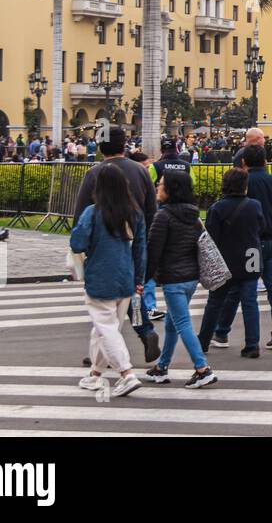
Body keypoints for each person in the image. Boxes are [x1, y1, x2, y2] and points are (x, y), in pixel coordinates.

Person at [72, 129, 160, 362]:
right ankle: (145, 331)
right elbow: (152, 211)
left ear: (101, 148)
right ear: (125, 146)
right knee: (131, 294)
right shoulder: (140, 172)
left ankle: (104, 351)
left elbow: (81, 214)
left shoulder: (95, 173)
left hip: (104, 245)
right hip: (136, 241)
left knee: (103, 304)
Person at [70, 163, 146, 398]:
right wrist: (139, 279)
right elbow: (141, 248)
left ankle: (127, 373)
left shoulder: (92, 212)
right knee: (105, 328)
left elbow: (77, 244)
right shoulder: (134, 212)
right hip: (126, 277)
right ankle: (95, 374)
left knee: (106, 328)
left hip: (100, 277)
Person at [210, 144, 272, 351]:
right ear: (265, 161)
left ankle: (221, 332)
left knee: (239, 289)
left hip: (249, 246)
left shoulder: (244, 183)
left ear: (244, 162)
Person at [143, 170, 216, 387]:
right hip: (191, 277)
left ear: (171, 189)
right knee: (172, 322)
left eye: (162, 184)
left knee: (182, 323)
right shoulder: (193, 215)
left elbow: (153, 251)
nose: (158, 186)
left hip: (173, 278)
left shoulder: (163, 216)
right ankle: (162, 366)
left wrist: (144, 279)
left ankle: (202, 369)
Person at [198, 168, 266, 358]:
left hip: (226, 260)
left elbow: (210, 238)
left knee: (215, 302)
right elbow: (262, 228)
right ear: (244, 186)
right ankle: (252, 344)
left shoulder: (217, 208)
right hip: (251, 258)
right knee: (250, 302)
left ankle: (203, 341)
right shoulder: (255, 205)